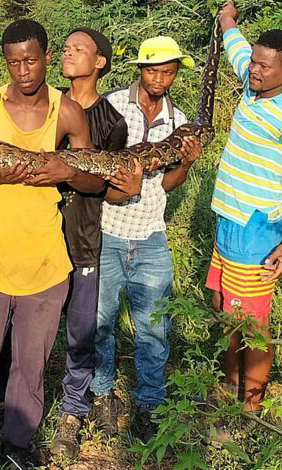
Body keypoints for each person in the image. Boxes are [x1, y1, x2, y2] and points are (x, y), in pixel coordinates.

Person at [0, 19, 105, 470]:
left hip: (45, 264)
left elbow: (94, 179)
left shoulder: (67, 112)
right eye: (14, 62)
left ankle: (17, 445)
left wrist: (67, 172)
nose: (23, 70)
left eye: (31, 60)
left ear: (47, 58)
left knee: (30, 367)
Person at [208, 0, 282, 417]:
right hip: (228, 223)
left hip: (257, 231)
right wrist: (227, 18)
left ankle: (251, 412)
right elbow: (236, 46)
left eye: (264, 67)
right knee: (228, 316)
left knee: (253, 326)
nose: (254, 70)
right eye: (254, 63)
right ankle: (227, 393)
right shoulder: (251, 82)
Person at [91, 34, 202, 443]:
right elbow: (92, 173)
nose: (160, 77)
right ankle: (101, 396)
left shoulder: (179, 120)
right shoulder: (112, 106)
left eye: (168, 70)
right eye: (153, 69)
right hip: (108, 231)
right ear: (141, 69)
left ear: (174, 74)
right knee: (100, 323)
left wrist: (186, 162)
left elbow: (169, 184)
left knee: (154, 328)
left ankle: (150, 404)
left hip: (152, 234)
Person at [48, 28, 141, 459]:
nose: (68, 53)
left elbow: (111, 189)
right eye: (65, 47)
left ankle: (73, 409)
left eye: (78, 49)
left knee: (81, 332)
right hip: (37, 236)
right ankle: (2, 400)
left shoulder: (112, 123)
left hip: (83, 238)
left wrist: (129, 185)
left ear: (100, 62)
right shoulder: (42, 107)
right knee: (25, 328)